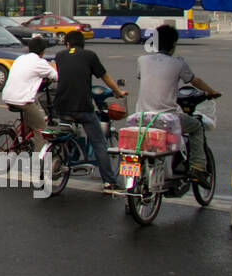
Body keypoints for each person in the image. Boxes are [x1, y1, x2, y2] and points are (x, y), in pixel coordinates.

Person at [134, 24, 221, 183]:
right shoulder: (178, 63)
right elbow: (196, 81)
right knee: (196, 126)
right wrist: (212, 92)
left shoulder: (142, 60)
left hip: (140, 117)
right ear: (173, 45)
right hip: (166, 118)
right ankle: (198, 167)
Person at [53, 30, 127, 192]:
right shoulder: (90, 56)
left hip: (61, 107)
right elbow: (105, 77)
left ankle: (70, 158)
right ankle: (109, 182)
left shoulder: (59, 56)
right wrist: (118, 92)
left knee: (68, 131)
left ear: (68, 44)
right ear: (82, 43)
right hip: (83, 108)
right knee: (99, 142)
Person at [1, 36, 58, 151]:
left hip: (7, 96)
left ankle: (24, 139)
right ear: (43, 51)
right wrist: (53, 66)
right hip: (22, 100)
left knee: (33, 106)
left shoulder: (20, 58)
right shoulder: (40, 62)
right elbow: (56, 76)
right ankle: (37, 163)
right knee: (41, 128)